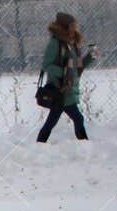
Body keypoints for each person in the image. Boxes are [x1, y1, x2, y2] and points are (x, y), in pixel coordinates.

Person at [37, 12, 97, 143]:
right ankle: (85, 144)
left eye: (75, 25)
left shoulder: (72, 44)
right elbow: (47, 65)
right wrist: (64, 72)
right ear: (64, 27)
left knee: (52, 121)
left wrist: (90, 57)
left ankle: (39, 144)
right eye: (72, 26)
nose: (75, 28)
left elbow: (76, 67)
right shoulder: (55, 43)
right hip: (60, 89)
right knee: (77, 118)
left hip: (68, 89)